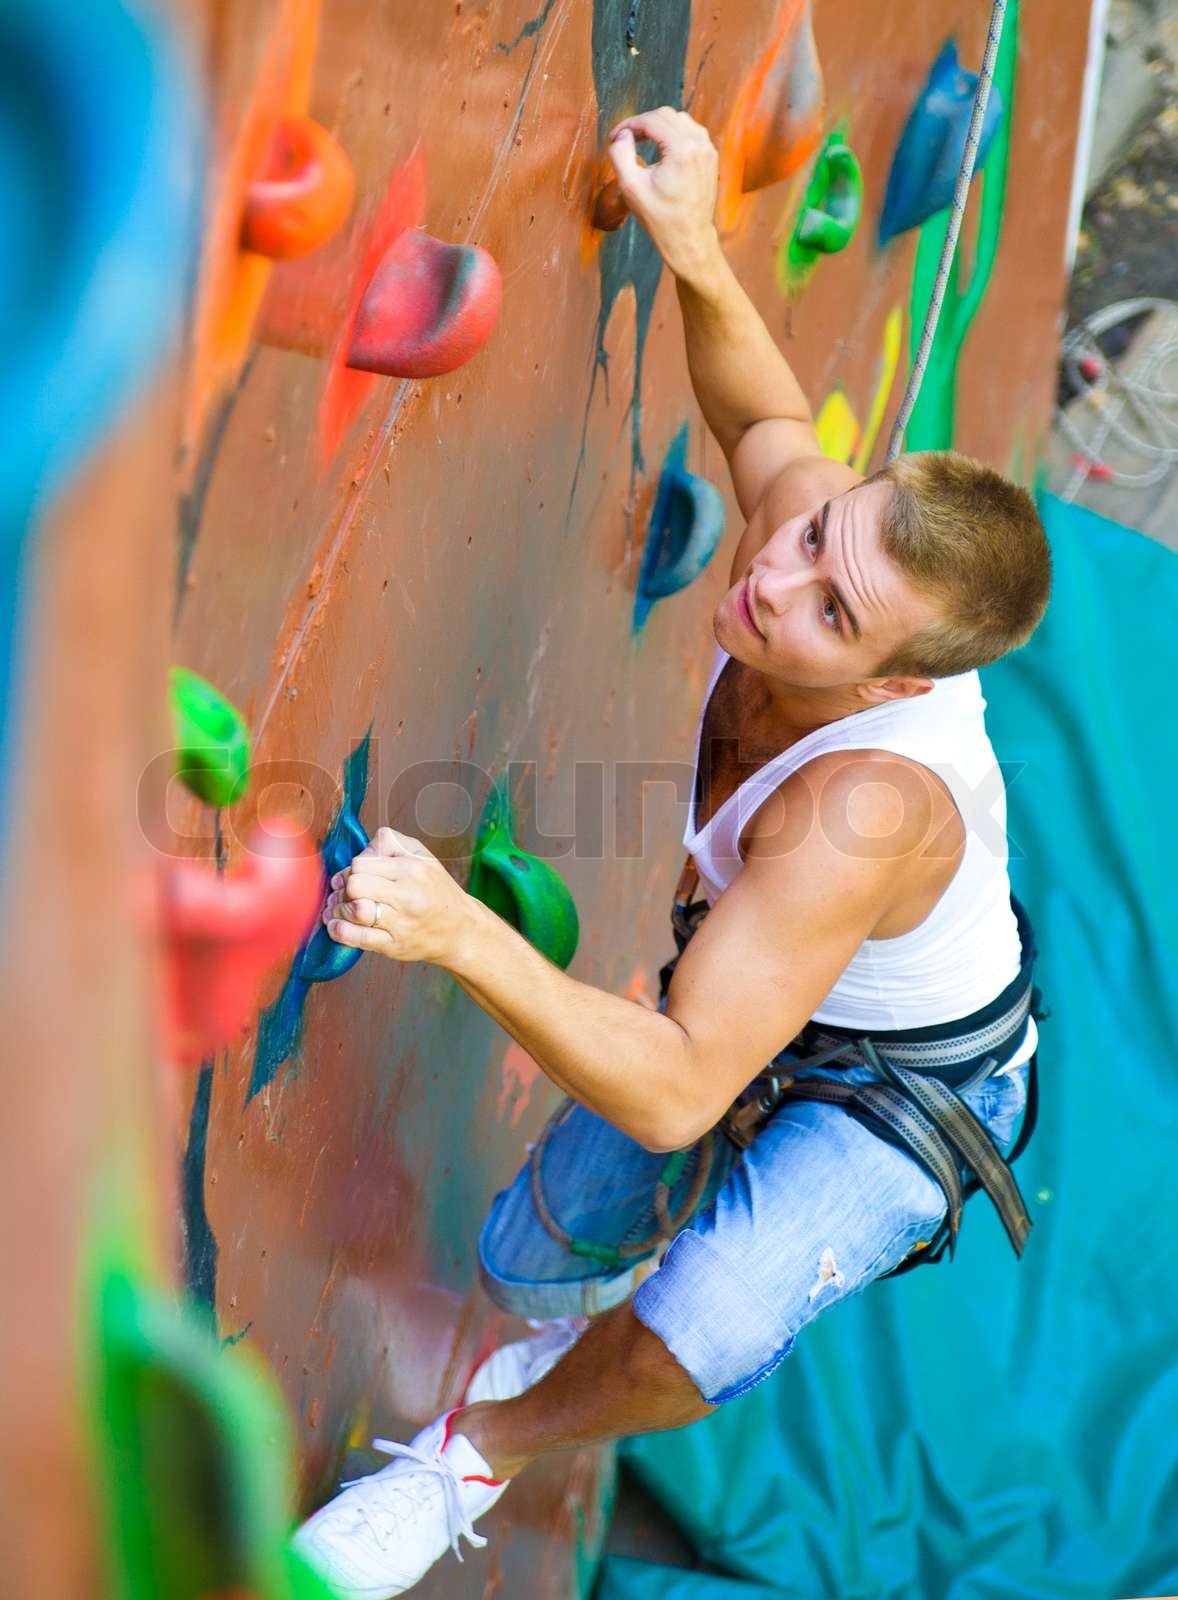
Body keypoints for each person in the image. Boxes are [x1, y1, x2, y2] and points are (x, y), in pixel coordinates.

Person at [292, 106, 1051, 1597]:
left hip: (903, 1087)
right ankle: (557, 1334)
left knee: (701, 1324)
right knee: (532, 1255)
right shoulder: (816, 546)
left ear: (901, 685)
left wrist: (456, 932)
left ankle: (478, 1451)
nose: (771, 583)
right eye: (813, 537)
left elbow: (680, 1088)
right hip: (773, 969)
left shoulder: (863, 811)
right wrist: (697, 245)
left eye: (832, 612)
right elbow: (765, 419)